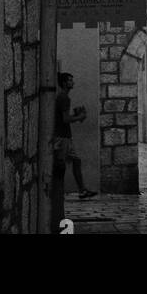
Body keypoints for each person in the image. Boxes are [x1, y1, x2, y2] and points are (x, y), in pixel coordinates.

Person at [53, 72, 96, 213]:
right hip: (62, 137)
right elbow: (65, 120)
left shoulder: (62, 97)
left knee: (76, 161)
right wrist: (80, 117)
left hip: (65, 136)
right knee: (59, 165)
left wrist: (76, 116)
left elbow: (64, 117)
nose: (73, 83)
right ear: (65, 83)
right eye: (70, 80)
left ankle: (82, 190)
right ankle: (56, 195)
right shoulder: (64, 98)